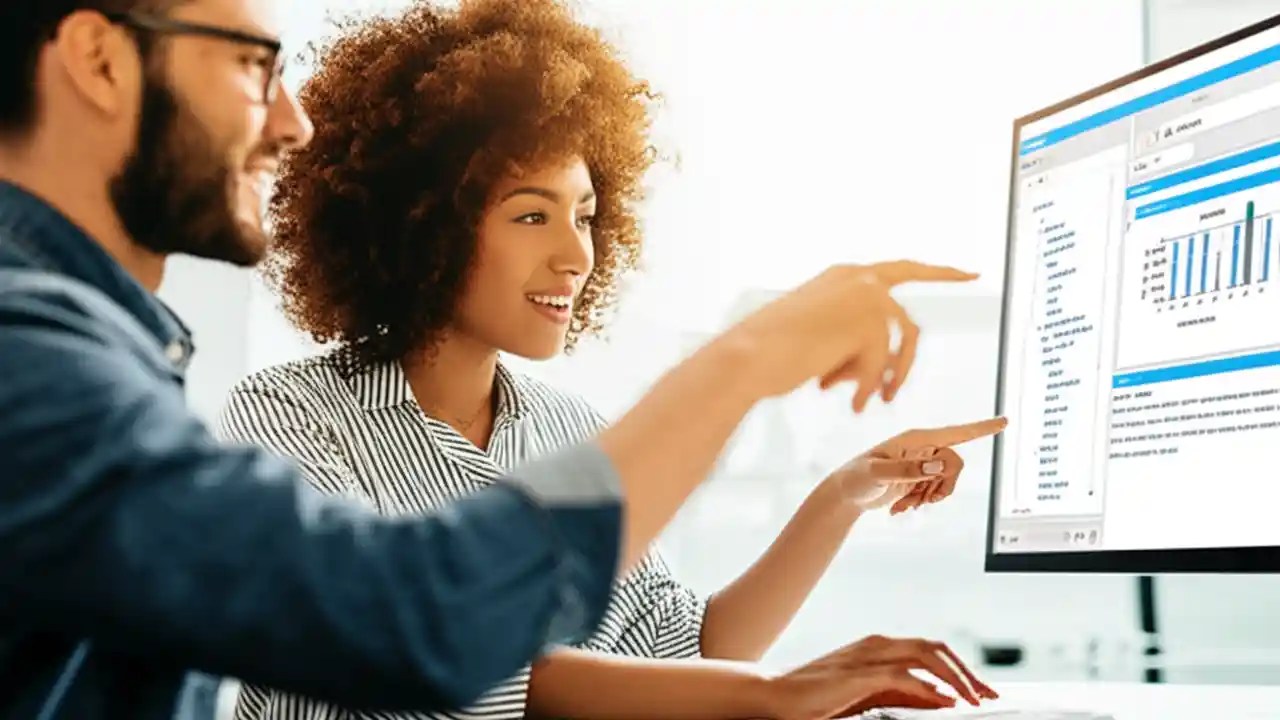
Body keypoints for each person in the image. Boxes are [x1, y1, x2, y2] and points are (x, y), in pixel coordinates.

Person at [0, 0, 983, 719]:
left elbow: (676, 644)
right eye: (254, 64)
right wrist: (747, 358)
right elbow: (419, 628)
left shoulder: (97, 354)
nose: (289, 123)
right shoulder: (38, 361)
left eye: (586, 216)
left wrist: (838, 497)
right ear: (99, 60)